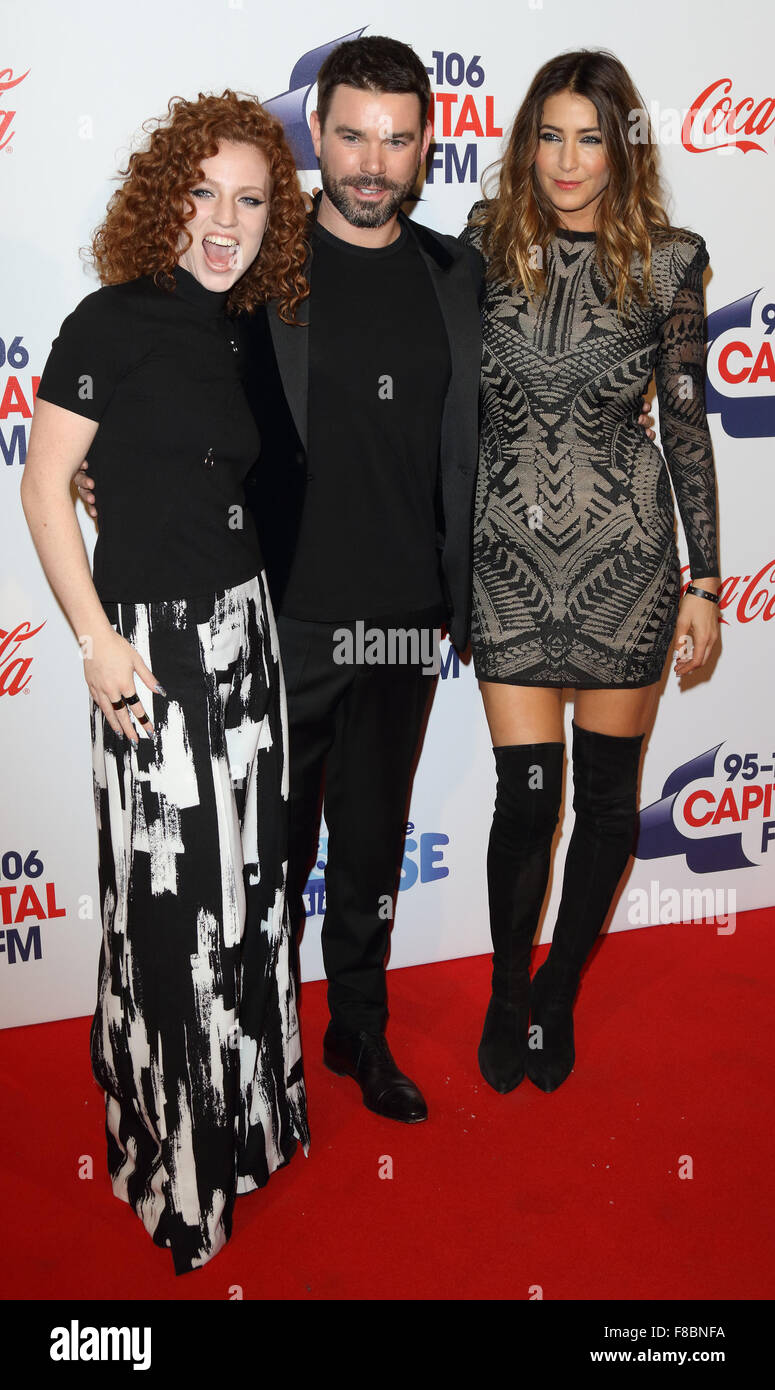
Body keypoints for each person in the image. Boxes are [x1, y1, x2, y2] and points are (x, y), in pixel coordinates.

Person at [76, 36, 655, 1125]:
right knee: (265, 858)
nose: (371, 161)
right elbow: (156, 364)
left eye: (395, 140)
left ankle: (358, 1031)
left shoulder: (458, 273)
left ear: (425, 145)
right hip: (278, 616)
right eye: (350, 135)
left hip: (406, 619)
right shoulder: (259, 259)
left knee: (373, 850)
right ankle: (259, 1045)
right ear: (319, 137)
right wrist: (110, 474)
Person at [21, 91, 310, 1273]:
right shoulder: (106, 320)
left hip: (247, 643)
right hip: (144, 649)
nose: (224, 219)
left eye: (248, 198)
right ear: (164, 197)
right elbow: (45, 491)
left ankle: (248, 1124)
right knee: (169, 913)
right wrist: (94, 639)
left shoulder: (249, 329)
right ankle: (174, 1168)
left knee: (247, 897)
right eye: (204, 192)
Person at [459, 50, 720, 1096]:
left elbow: (690, 424)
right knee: (526, 801)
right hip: (506, 563)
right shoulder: (479, 250)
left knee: (607, 802)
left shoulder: (670, 261)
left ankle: (559, 988)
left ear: (623, 147)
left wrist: (706, 580)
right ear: (527, 143)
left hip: (625, 562)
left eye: (591, 137)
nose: (567, 161)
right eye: (550, 136)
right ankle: (503, 990)